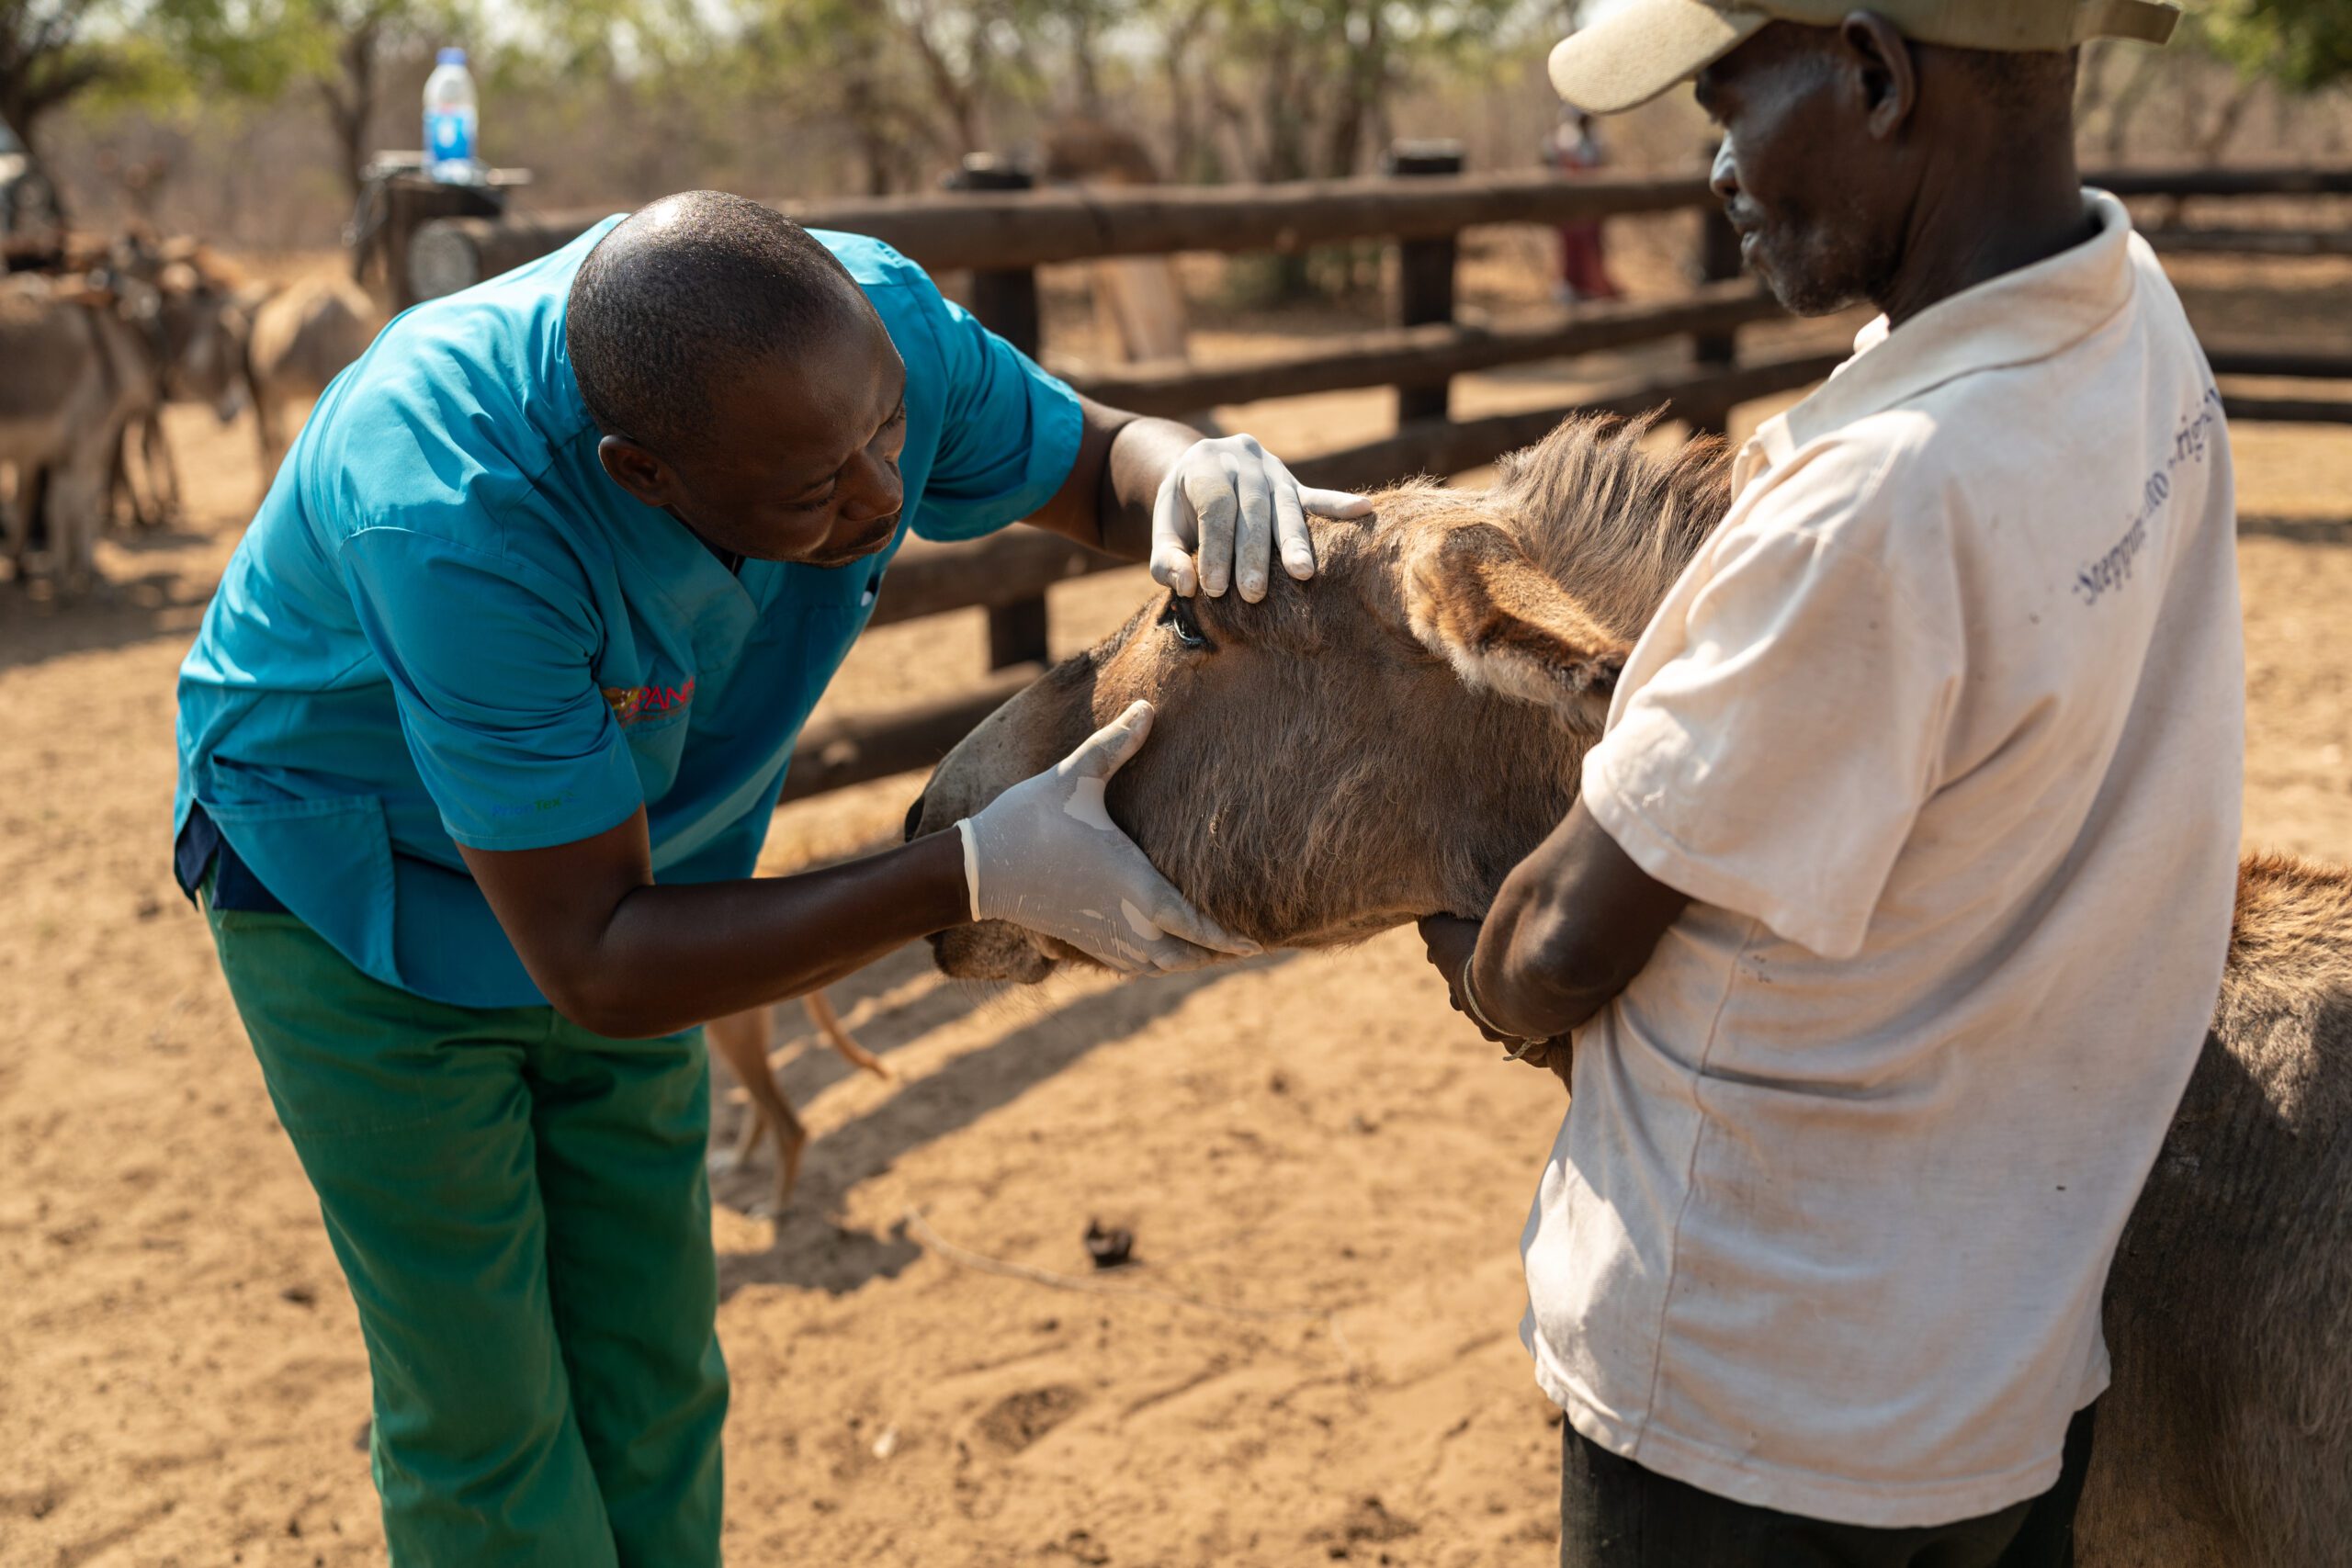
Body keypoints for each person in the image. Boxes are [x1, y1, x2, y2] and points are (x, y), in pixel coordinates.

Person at [174, 189, 1366, 1564]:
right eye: (816, 489)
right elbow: (603, 960)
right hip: (356, 886)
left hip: (642, 886)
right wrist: (968, 872)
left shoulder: (858, 339)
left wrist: (1194, 478)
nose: (879, 496)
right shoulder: (454, 506)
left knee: (654, 1360)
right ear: (646, 476)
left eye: (887, 438)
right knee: (486, 1413)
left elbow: (1097, 468)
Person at [1419, 1, 2238, 1562]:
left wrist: (1471, 946)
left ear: (1873, 71)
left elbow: (1555, 950)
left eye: (1729, 102)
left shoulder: (1878, 501)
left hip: (1753, 1402)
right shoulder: (2134, 320)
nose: (1719, 170)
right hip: (2006, 1371)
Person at [1542, 107, 1622, 303]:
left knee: (1592, 246)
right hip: (1570, 208)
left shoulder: (1595, 141)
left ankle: (1591, 286)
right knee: (1571, 248)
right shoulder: (1564, 140)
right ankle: (1572, 286)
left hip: (1592, 210)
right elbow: (1549, 163)